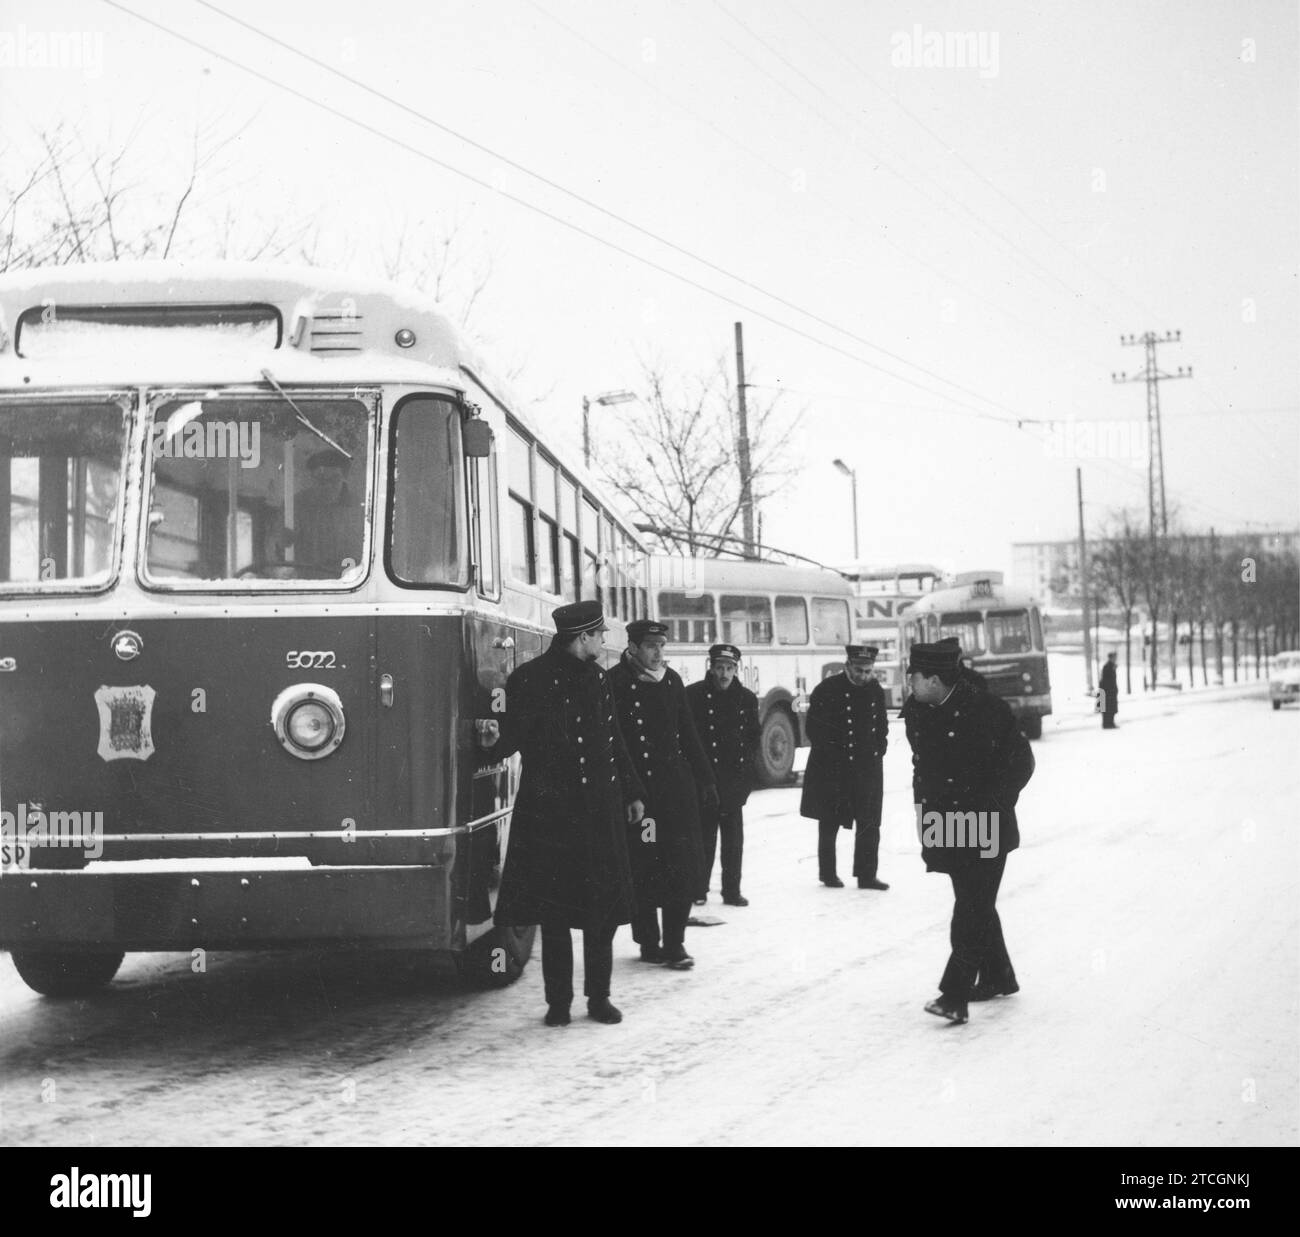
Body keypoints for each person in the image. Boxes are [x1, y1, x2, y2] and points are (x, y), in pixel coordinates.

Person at [476, 600, 645, 1027]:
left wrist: (632, 791)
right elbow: (511, 737)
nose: (604, 640)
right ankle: (559, 1003)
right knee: (554, 916)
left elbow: (614, 740)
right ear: (582, 637)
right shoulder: (529, 680)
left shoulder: (599, 679)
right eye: (599, 634)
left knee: (601, 915)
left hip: (599, 813)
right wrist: (490, 740)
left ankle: (599, 998)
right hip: (550, 816)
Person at [902, 638, 1035, 1025]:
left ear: (935, 680)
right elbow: (923, 769)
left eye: (914, 676)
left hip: (986, 820)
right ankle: (997, 975)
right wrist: (925, 819)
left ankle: (954, 994)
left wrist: (995, 805)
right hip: (946, 822)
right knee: (973, 900)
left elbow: (1022, 762)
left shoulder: (986, 711)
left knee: (971, 907)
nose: (908, 682)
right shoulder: (918, 711)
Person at [608, 619, 717, 969]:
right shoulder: (615, 682)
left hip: (674, 791)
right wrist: (628, 792)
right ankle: (648, 942)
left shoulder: (671, 681)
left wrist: (706, 780)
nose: (659, 653)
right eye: (652, 646)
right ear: (634, 646)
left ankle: (675, 944)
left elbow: (688, 732)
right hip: (639, 795)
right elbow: (614, 742)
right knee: (644, 868)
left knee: (680, 868)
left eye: (662, 646)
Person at [799, 644, 890, 890]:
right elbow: (814, 730)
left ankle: (866, 875)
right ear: (848, 666)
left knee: (870, 821)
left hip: (867, 766)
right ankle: (828, 874)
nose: (863, 676)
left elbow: (882, 725)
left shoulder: (875, 690)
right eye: (859, 670)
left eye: (868, 671)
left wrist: (879, 749)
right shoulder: (827, 690)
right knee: (829, 820)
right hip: (834, 767)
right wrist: (833, 756)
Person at [685, 643, 762, 906]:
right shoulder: (694, 695)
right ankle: (698, 890)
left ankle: (732, 891)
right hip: (704, 779)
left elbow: (753, 739)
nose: (724, 674)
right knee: (703, 838)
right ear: (711, 667)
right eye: (719, 667)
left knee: (733, 841)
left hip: (733, 781)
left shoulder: (747, 699)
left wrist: (746, 778)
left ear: (736, 669)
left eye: (729, 668)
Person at [288, 449, 364, 573]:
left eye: (334, 479)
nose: (327, 486)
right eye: (321, 479)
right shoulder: (295, 506)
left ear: (344, 478)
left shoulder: (360, 510)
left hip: (350, 584)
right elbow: (279, 548)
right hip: (305, 584)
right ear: (311, 478)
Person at [1099, 651, 1119, 729]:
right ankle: (1107, 724)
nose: (1115, 659)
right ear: (1111, 658)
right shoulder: (1107, 666)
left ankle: (1111, 722)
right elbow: (1106, 680)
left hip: (1111, 691)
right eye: (1114, 657)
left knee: (1111, 708)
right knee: (1107, 708)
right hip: (1107, 691)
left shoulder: (1111, 666)